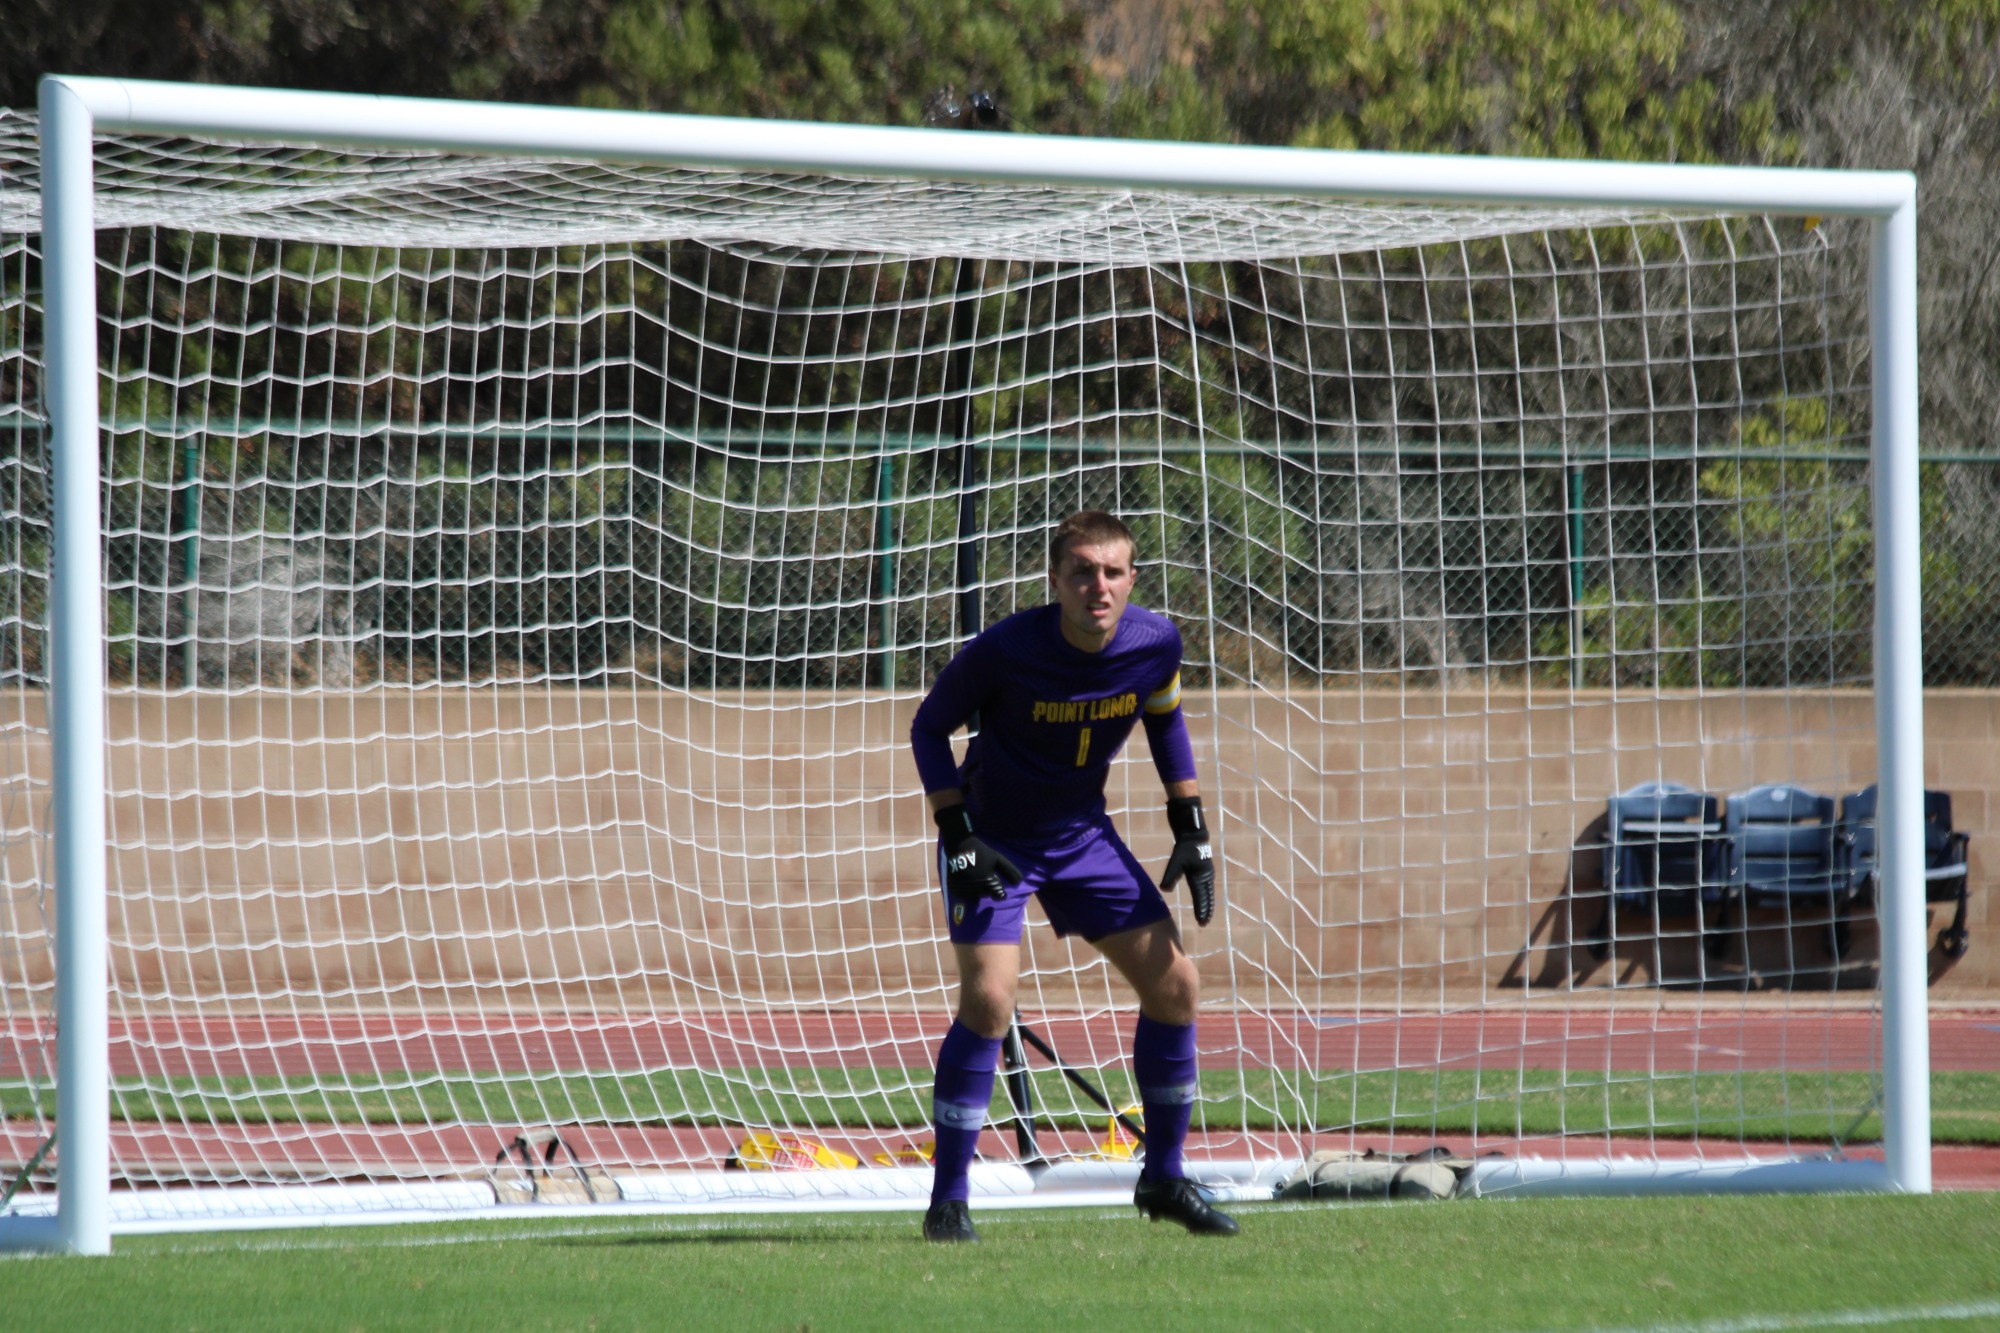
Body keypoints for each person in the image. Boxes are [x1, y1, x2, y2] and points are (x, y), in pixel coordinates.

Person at [908, 509, 1237, 1243]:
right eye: (1082, 571)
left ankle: (1165, 1178)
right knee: (990, 1002)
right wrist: (957, 834)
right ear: (1054, 580)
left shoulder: (1157, 642)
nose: (1099, 585)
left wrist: (1190, 823)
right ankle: (947, 1203)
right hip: (994, 841)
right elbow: (928, 727)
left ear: (1132, 580)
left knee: (1176, 986)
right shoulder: (1004, 649)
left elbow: (1165, 717)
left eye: (1113, 571)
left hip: (1083, 836)